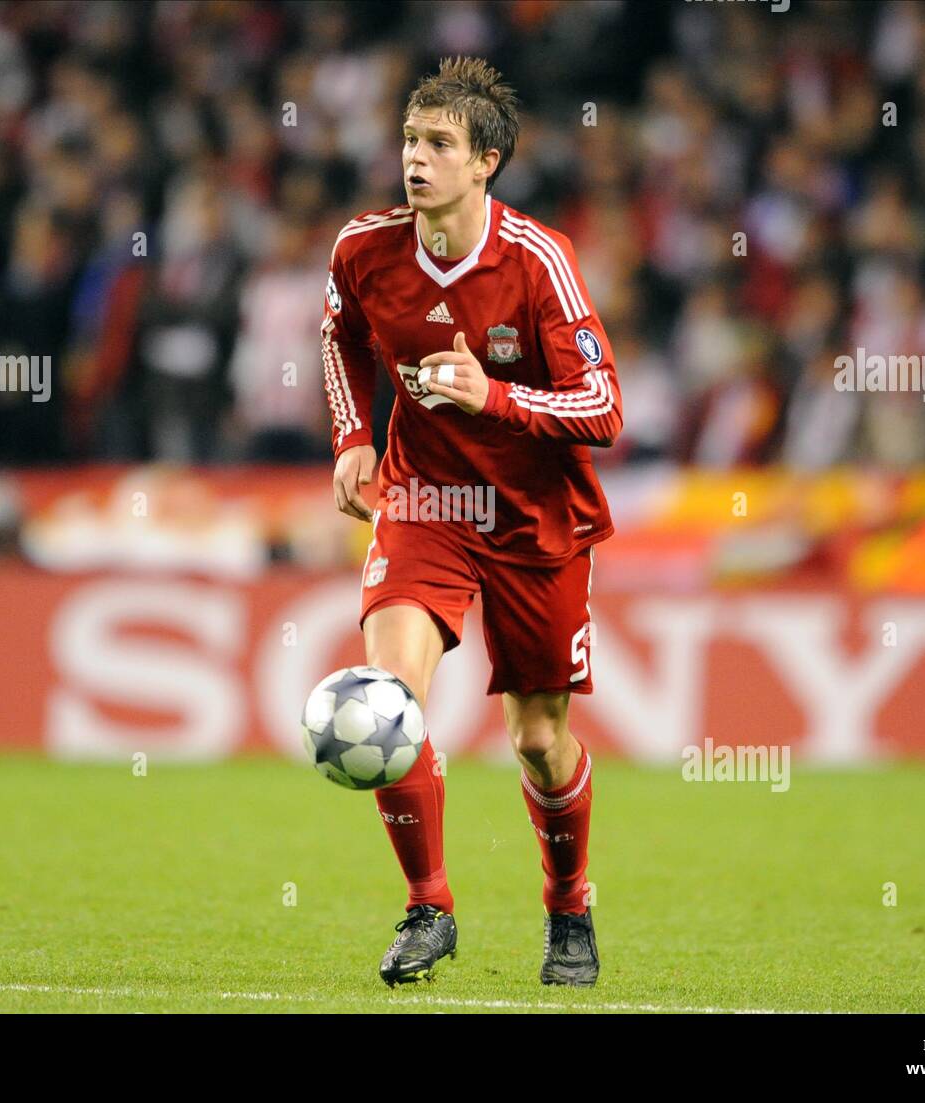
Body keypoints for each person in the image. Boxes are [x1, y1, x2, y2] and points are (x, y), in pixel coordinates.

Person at [319, 57, 623, 987]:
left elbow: (605, 409)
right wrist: (351, 436)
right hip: (425, 503)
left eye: (439, 145)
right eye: (411, 140)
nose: (415, 159)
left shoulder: (538, 261)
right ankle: (428, 905)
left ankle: (568, 909)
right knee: (387, 699)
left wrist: (494, 396)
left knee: (538, 738)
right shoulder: (364, 249)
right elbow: (340, 333)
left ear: (485, 161)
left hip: (535, 515)